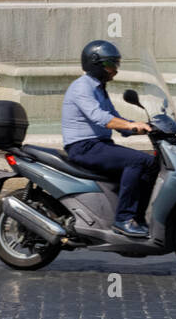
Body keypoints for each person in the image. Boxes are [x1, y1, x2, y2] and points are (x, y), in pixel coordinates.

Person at [62, 40, 157, 239]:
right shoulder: (82, 87)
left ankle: (137, 219)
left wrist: (145, 127)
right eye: (111, 64)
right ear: (95, 64)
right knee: (138, 161)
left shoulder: (99, 88)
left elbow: (115, 116)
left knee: (151, 163)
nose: (115, 70)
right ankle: (124, 220)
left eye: (116, 64)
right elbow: (99, 117)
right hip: (83, 146)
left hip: (99, 145)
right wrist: (129, 126)